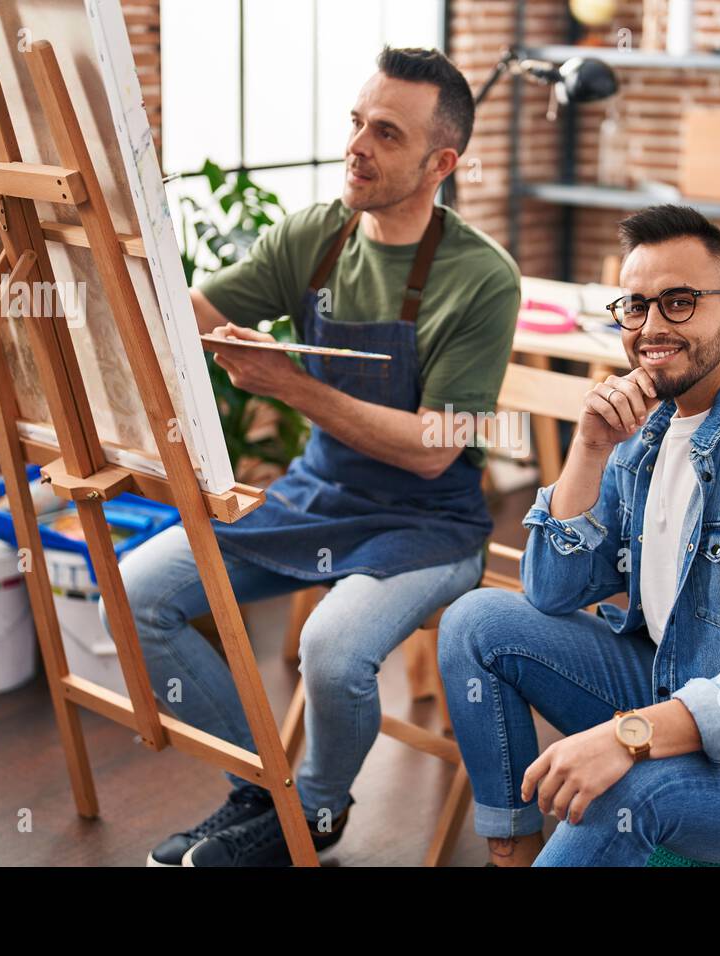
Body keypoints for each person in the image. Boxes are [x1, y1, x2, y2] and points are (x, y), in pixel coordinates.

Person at [104, 46, 521, 867]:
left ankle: (320, 813)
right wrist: (125, 248)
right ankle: (264, 792)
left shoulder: (481, 279)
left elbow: (438, 452)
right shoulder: (316, 237)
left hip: (427, 524)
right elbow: (197, 315)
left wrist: (289, 385)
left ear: (442, 163)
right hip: (317, 495)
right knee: (137, 593)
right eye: (357, 122)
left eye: (386, 133)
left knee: (332, 649)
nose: (357, 144)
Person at [438, 204, 720, 867]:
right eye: (636, 305)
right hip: (674, 689)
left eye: (679, 303)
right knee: (476, 620)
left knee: (626, 786)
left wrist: (628, 737)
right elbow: (549, 588)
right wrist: (589, 450)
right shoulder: (643, 435)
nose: (652, 327)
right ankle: (512, 851)